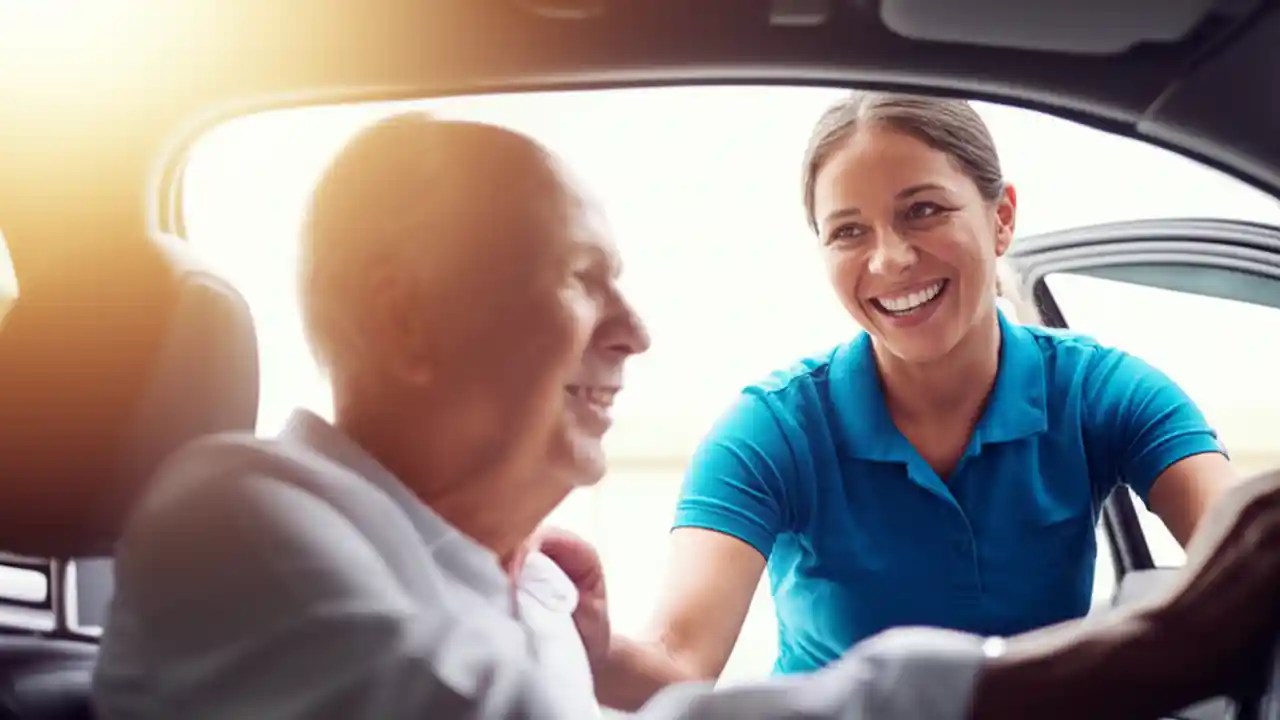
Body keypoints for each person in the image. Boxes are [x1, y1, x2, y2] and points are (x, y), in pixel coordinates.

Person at [92, 111, 1280, 720]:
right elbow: (670, 678)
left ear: (1000, 220)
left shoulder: (515, 589)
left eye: (923, 212)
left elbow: (1230, 546)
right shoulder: (232, 520)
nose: (636, 331)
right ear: (406, 323)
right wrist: (1122, 659)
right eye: (578, 278)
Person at [579, 91, 1241, 709]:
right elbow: (679, 662)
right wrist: (586, 636)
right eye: (848, 232)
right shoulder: (771, 431)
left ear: (1001, 217)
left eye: (922, 211)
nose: (891, 259)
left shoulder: (1103, 392)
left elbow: (1245, 567)